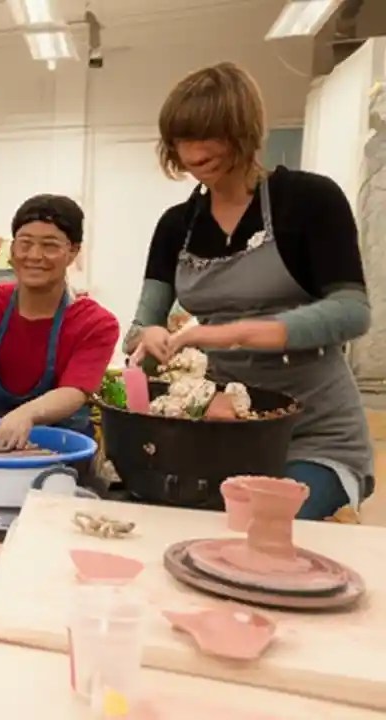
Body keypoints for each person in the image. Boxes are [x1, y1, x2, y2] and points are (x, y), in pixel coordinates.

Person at [125, 62, 373, 520]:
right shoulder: (175, 226)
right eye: (183, 141)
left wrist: (232, 333)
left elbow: (352, 312)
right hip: (225, 427)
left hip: (315, 430)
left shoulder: (310, 201)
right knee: (190, 535)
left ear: (245, 132)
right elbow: (141, 326)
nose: (194, 154)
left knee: (262, 530)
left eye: (211, 137)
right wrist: (150, 336)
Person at [0, 194, 118, 449]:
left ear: (73, 252)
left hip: (60, 443)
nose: (34, 255)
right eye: (25, 243)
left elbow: (73, 391)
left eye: (50, 246)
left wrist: (27, 414)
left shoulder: (96, 323)